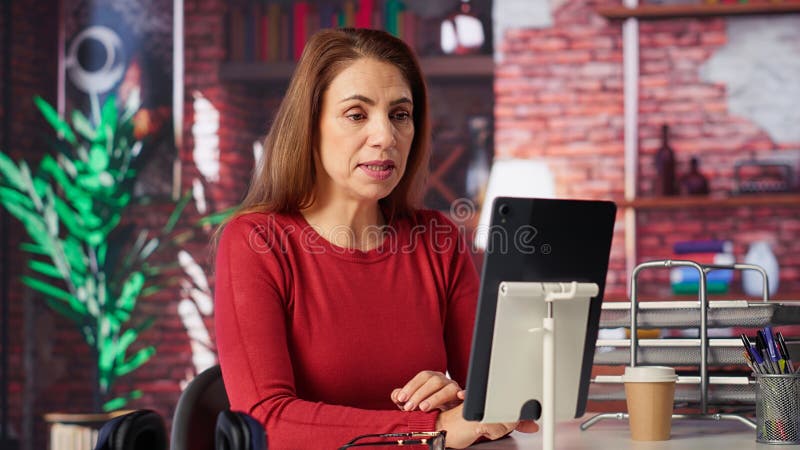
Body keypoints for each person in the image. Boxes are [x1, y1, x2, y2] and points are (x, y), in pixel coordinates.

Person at [214, 28, 537, 449]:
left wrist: (459, 397)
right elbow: (265, 421)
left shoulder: (438, 239)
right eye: (356, 114)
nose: (385, 137)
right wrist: (429, 429)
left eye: (400, 114)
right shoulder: (256, 243)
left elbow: (502, 401)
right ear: (309, 127)